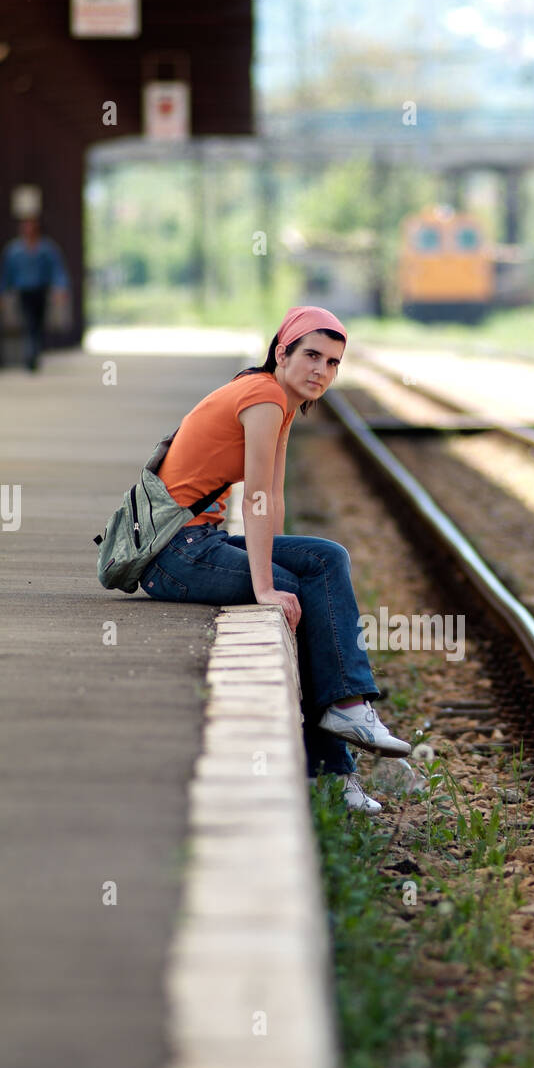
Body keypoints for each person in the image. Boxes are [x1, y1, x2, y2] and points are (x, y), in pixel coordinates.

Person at [138, 304, 411, 813]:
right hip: (172, 555)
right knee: (298, 589)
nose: (321, 371)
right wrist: (266, 586)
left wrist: (279, 570)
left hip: (199, 544)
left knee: (325, 559)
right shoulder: (263, 395)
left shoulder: (278, 399)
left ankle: (347, 710)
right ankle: (335, 763)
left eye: (333, 363)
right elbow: (256, 498)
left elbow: (274, 500)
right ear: (281, 352)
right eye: (311, 355)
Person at [0, 216, 71, 371]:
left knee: (38, 323)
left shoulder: (46, 248)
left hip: (40, 291)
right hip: (23, 292)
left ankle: (34, 352)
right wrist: (1, 292)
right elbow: (6, 273)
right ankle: (30, 354)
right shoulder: (14, 250)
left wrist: (60, 288)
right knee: (28, 323)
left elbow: (57, 270)